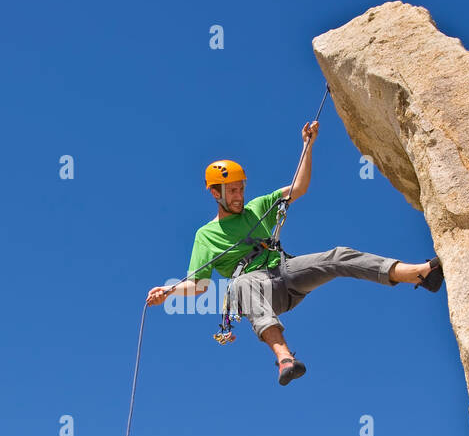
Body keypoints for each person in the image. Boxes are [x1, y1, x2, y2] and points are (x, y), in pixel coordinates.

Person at [145, 120, 444, 385]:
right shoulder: (206, 235)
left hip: (285, 273)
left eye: (240, 188)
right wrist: (168, 292)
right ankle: (284, 358)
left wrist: (307, 146)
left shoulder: (257, 207)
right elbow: (199, 285)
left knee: (337, 256)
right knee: (243, 284)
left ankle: (417, 274)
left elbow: (298, 188)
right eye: (232, 191)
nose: (239, 196)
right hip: (257, 289)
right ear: (215, 193)